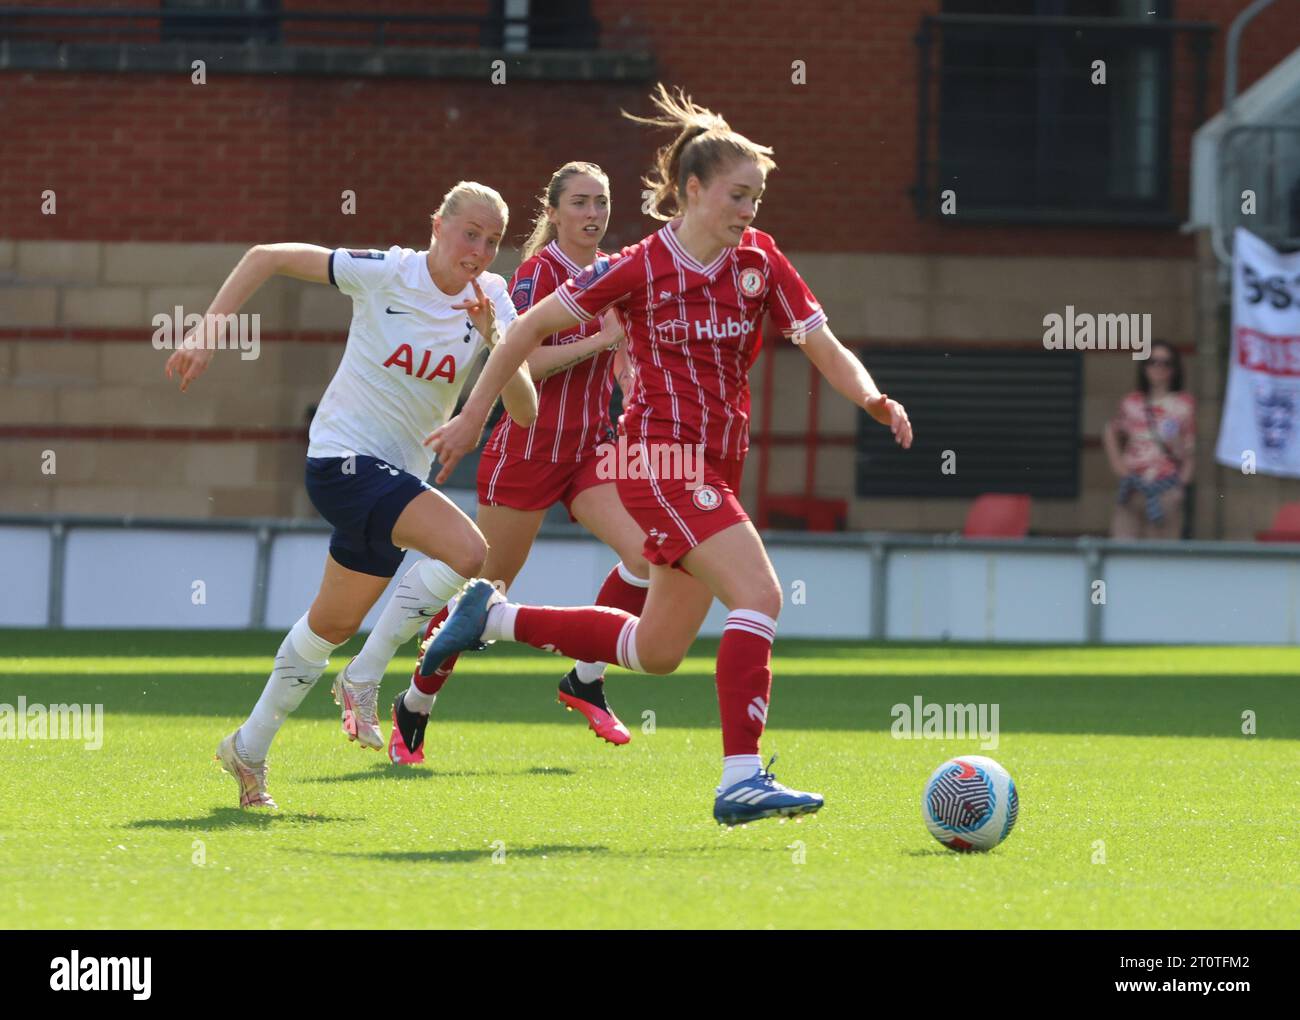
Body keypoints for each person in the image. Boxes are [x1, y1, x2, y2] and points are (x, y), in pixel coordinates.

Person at [419, 85, 913, 826]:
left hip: (712, 468)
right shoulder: (641, 265)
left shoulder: (761, 262)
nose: (749, 210)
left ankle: (491, 619)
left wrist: (872, 397)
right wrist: (471, 417)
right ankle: (741, 777)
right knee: (762, 596)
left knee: (656, 651)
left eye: (756, 197)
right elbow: (522, 333)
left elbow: (822, 344)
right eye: (737, 195)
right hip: (657, 461)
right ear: (691, 190)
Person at [164, 181, 538, 809]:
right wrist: (207, 332)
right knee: (472, 554)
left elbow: (524, 411)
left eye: (492, 241)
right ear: (436, 228)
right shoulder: (385, 272)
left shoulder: (493, 300)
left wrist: (496, 334)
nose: (478, 250)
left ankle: (248, 749)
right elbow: (265, 256)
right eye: (468, 234)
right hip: (341, 461)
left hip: (393, 489)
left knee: (329, 625)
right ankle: (364, 679)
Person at [342, 162, 652, 764]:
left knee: (647, 557)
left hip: (588, 450)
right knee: (483, 592)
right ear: (555, 212)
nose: (593, 214)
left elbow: (623, 340)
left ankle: (586, 677)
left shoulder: (613, 271)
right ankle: (416, 704)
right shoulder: (536, 275)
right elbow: (519, 365)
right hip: (528, 453)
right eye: (581, 203)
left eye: (602, 203)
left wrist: (627, 360)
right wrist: (600, 340)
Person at [1103, 341, 1195, 540]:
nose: (1158, 368)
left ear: (1174, 368)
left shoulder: (1183, 405)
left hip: (1165, 488)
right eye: (1152, 362)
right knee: (1123, 551)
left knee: (1160, 558)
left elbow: (1189, 450)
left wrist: (1181, 485)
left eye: (1165, 363)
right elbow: (1111, 430)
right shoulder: (1131, 402)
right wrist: (1118, 465)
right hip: (1133, 487)